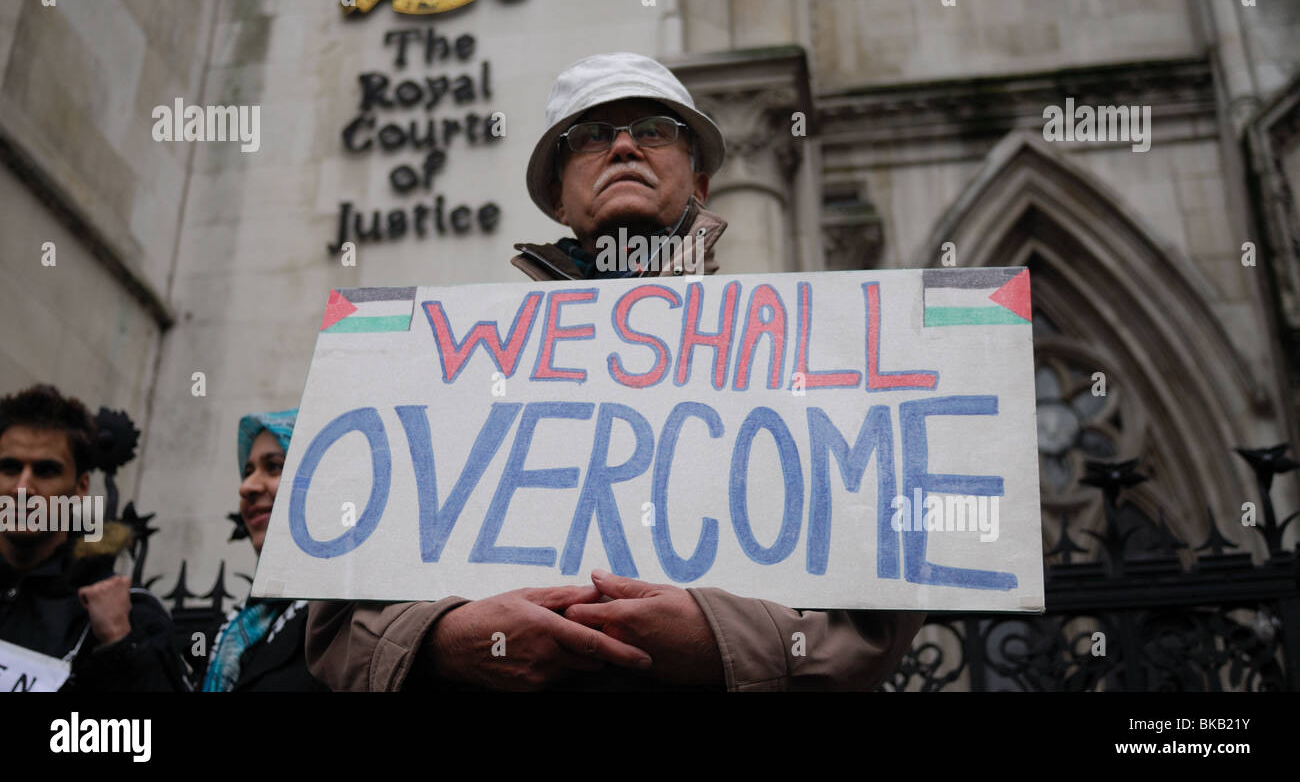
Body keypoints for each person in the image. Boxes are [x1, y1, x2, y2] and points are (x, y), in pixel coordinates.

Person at [306, 52, 926, 691]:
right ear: (556, 195)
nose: (625, 146)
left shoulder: (804, 352)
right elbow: (337, 625)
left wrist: (723, 642)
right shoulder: (451, 366)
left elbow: (877, 606)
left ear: (701, 182)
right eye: (592, 137)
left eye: (655, 130)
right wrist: (446, 642)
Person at [0, 384, 189, 692]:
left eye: (45, 471)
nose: (22, 489)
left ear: (81, 488)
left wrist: (120, 644)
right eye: (9, 467)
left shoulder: (131, 615)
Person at [200, 410, 328, 692]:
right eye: (247, 472)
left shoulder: (344, 616)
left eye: (274, 466)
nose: (246, 487)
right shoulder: (233, 627)